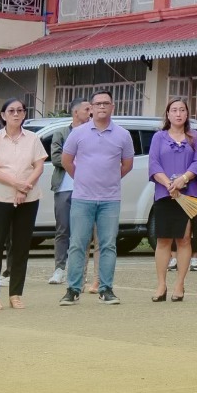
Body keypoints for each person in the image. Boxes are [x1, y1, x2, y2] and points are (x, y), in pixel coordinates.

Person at [60, 92, 133, 306]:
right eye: (97, 104)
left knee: (108, 244)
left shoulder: (123, 135)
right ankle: (73, 289)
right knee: (77, 244)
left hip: (110, 199)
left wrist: (109, 179)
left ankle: (106, 288)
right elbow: (66, 160)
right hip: (83, 197)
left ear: (113, 106)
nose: (102, 107)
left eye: (106, 103)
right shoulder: (78, 133)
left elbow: (127, 164)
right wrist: (82, 178)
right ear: (90, 108)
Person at [0, 97, 44, 310]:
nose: (16, 114)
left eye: (20, 110)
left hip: (28, 198)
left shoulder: (33, 138)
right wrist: (17, 184)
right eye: (11, 111)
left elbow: (38, 166)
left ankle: (16, 293)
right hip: (0, 198)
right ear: (3, 115)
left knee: (21, 247)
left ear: (24, 114)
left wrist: (24, 188)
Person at [146, 97, 197, 302]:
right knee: (163, 239)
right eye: (174, 110)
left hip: (187, 194)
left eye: (182, 110)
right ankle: (161, 284)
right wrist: (168, 184)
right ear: (168, 114)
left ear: (187, 114)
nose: (178, 113)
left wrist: (182, 180)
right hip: (164, 194)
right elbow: (154, 164)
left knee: (184, 238)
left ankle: (180, 284)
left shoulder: (195, 137)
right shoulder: (158, 137)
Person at [47, 99, 90, 285]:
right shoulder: (61, 133)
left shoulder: (93, 133)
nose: (91, 112)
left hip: (87, 189)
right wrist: (77, 159)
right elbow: (56, 157)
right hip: (64, 187)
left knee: (83, 232)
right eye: (87, 109)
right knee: (63, 229)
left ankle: (79, 270)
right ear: (75, 112)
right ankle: (59, 268)